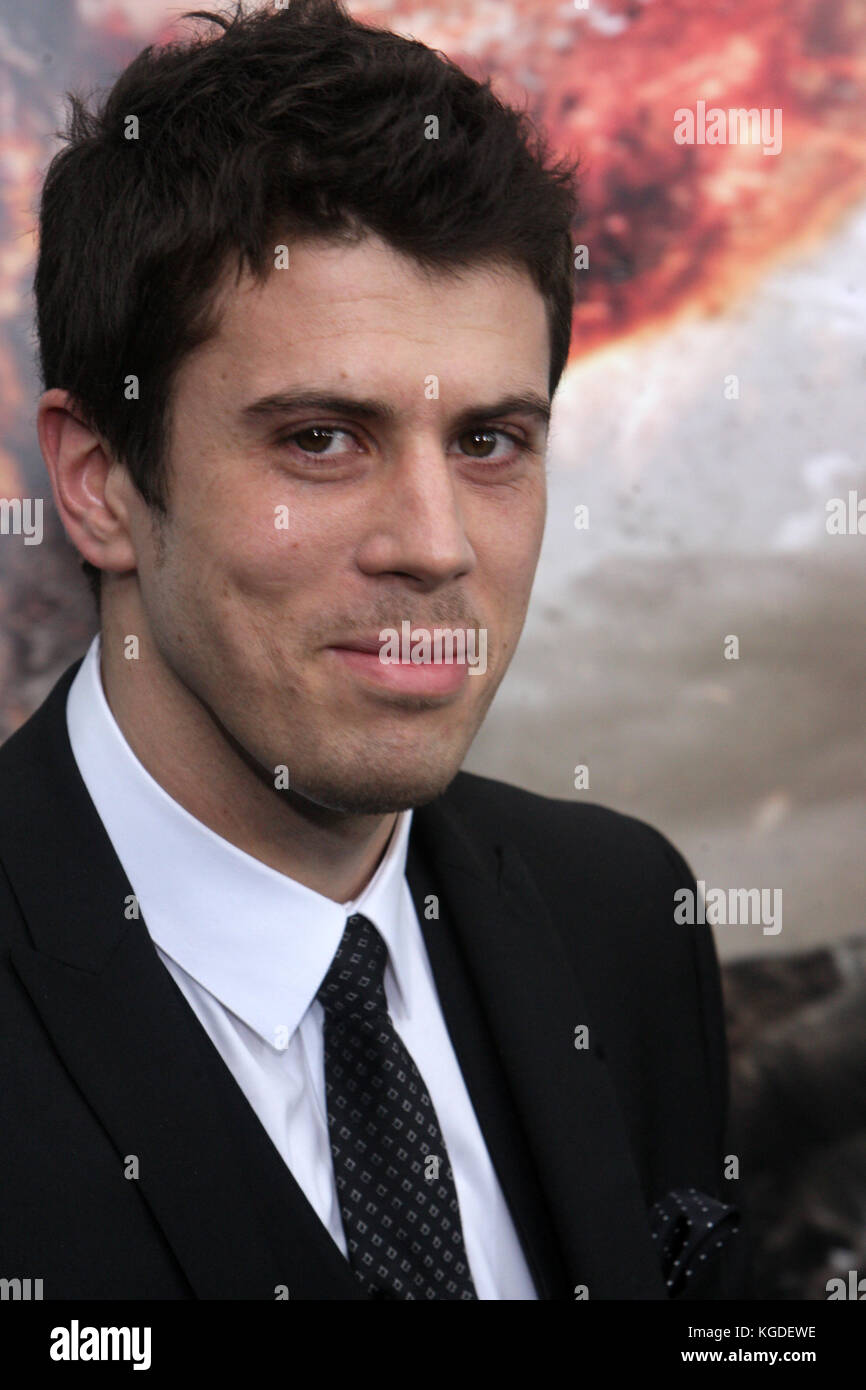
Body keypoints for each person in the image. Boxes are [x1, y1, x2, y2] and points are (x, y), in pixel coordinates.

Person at [0, 0, 741, 1300]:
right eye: (322, 439)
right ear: (100, 480)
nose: (433, 544)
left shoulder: (620, 913)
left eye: (488, 442)